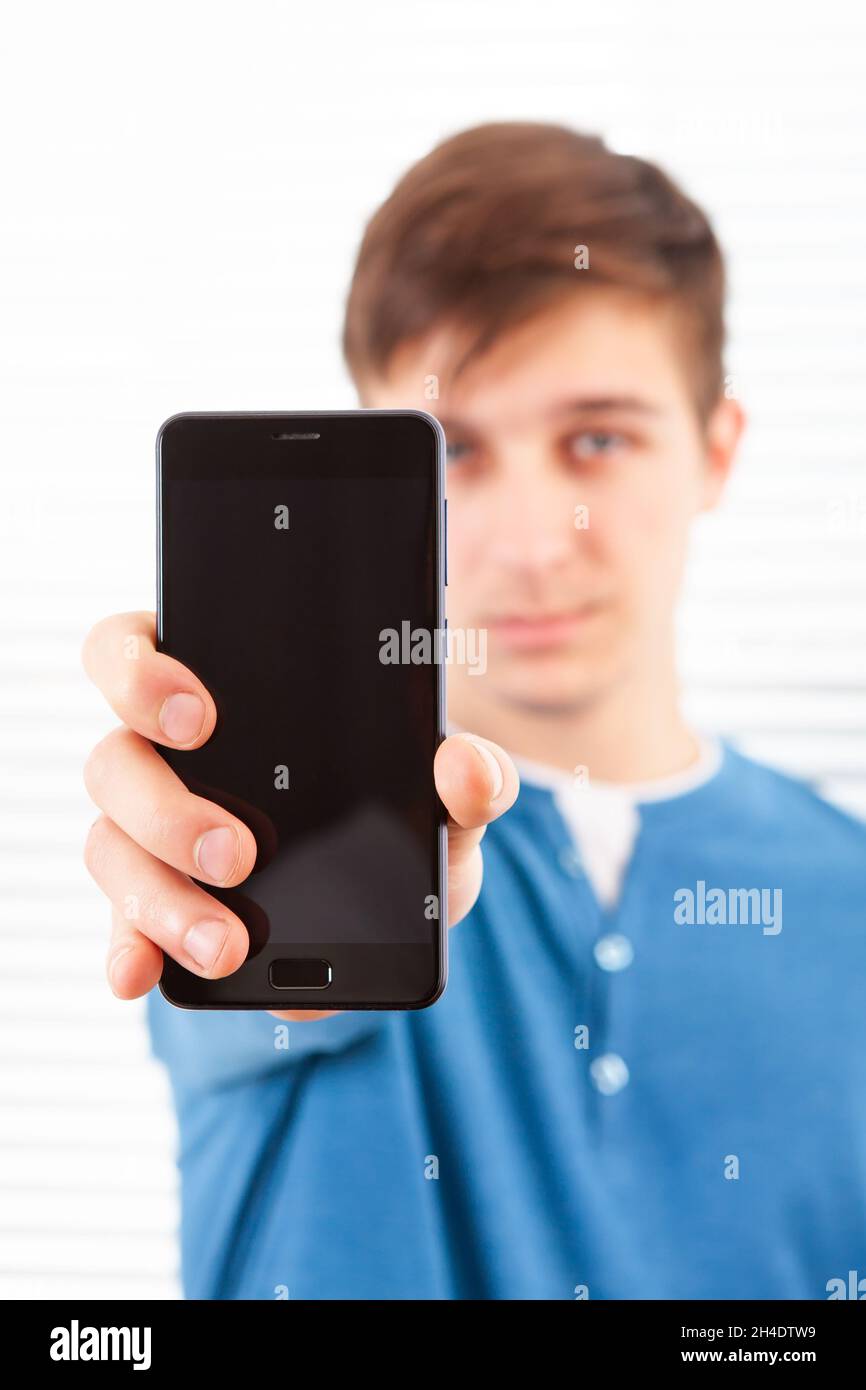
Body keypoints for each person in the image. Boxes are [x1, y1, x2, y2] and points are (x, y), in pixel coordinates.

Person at [82, 122, 866, 1300]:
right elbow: (255, 998)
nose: (533, 544)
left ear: (714, 453)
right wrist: (220, 889)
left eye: (596, 439)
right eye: (452, 450)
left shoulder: (843, 892)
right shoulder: (273, 841)